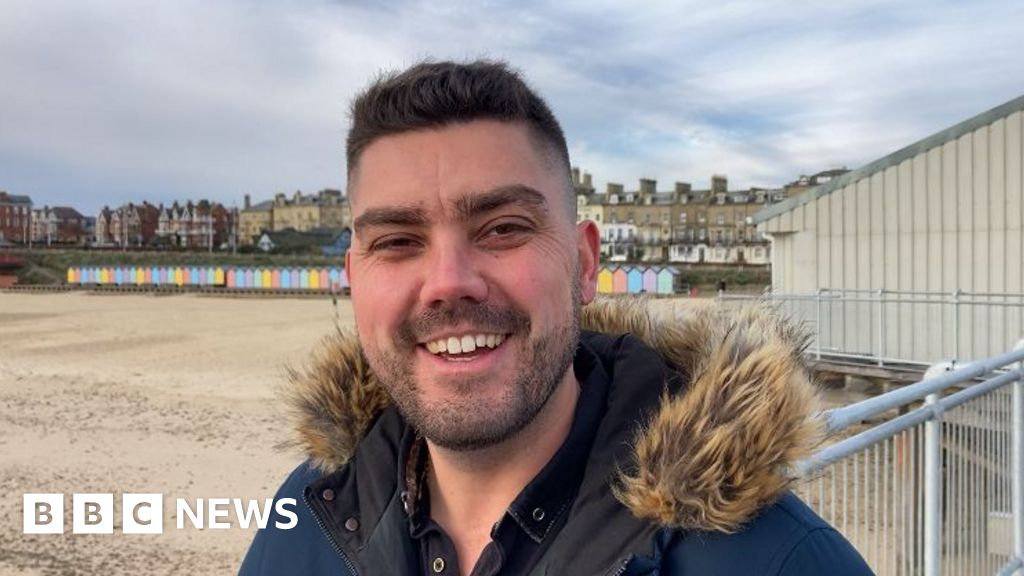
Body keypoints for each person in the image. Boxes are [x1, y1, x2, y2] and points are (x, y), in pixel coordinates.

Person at [240, 60, 871, 575]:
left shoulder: (783, 562)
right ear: (353, 278)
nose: (448, 282)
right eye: (397, 241)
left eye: (504, 228)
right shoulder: (307, 512)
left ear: (583, 262)